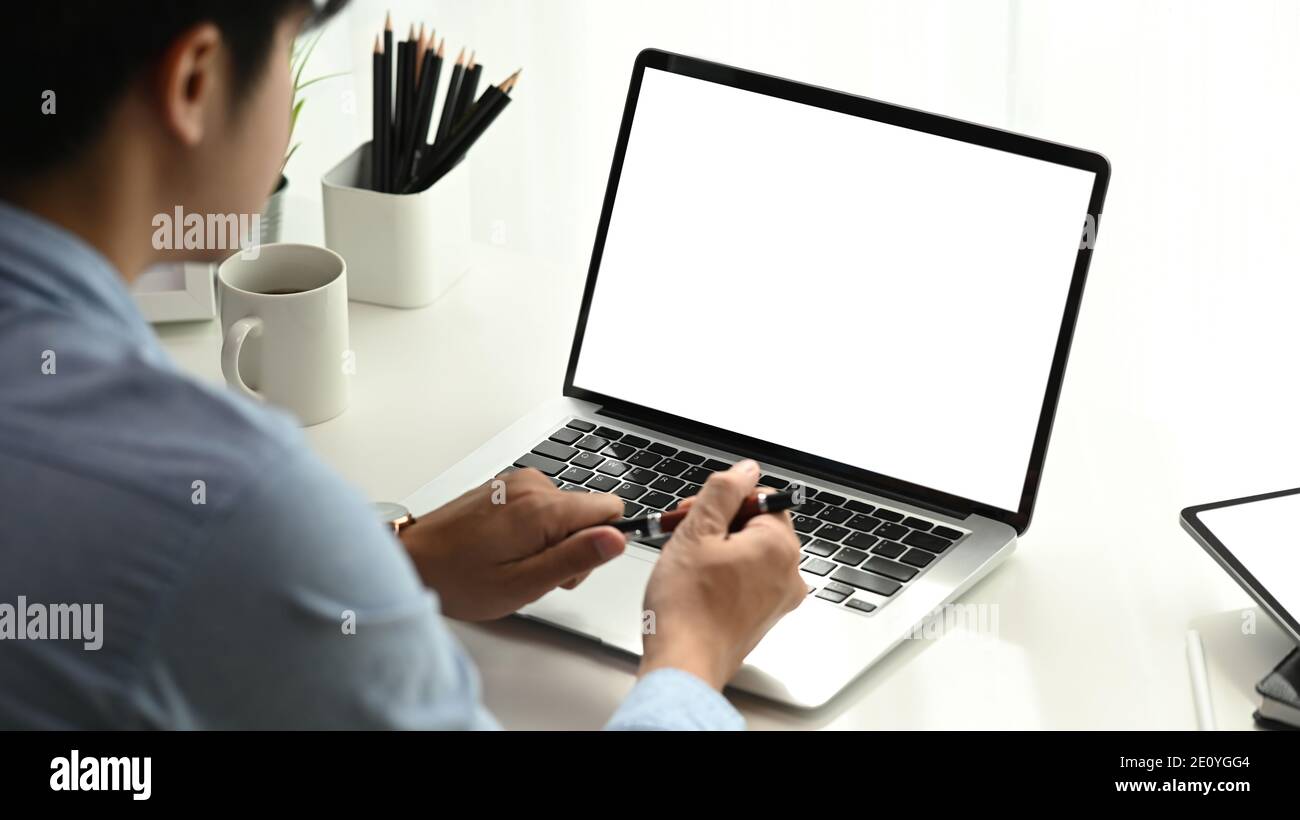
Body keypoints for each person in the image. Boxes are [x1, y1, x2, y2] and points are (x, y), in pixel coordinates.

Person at [0, 1, 807, 729]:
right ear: (195, 82)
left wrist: (384, 566)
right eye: (290, 45)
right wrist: (695, 650)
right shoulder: (229, 502)